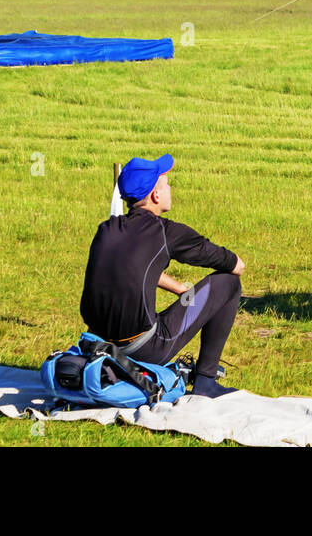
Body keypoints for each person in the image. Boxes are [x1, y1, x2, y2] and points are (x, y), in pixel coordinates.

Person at [80, 154, 245, 398]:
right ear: (156, 196)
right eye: (166, 184)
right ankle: (206, 380)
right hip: (144, 348)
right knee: (229, 283)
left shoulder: (106, 229)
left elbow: (131, 267)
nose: (170, 188)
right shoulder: (166, 232)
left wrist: (180, 288)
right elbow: (235, 265)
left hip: (97, 345)